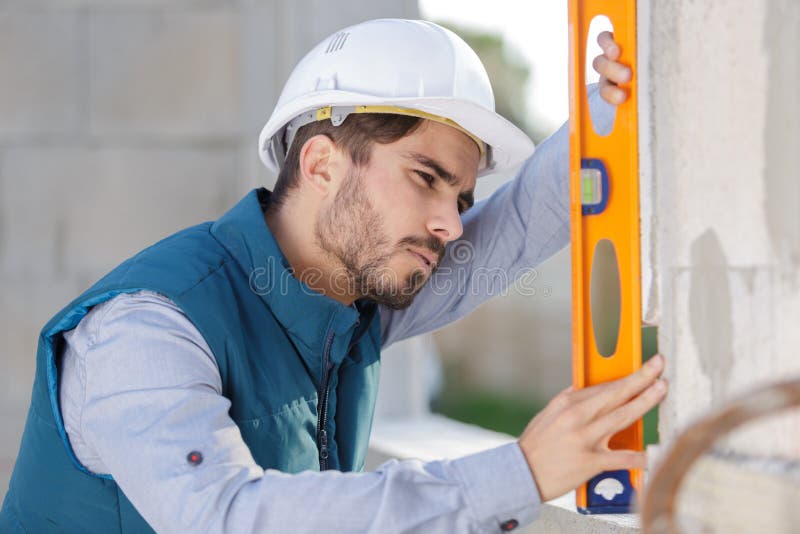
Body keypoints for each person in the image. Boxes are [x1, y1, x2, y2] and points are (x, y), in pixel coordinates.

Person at [0, 18, 665, 534]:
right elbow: (228, 517)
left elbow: (516, 225)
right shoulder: (143, 329)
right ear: (320, 165)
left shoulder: (353, 296)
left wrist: (613, 103)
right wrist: (520, 472)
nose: (451, 224)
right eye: (426, 178)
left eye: (458, 198)